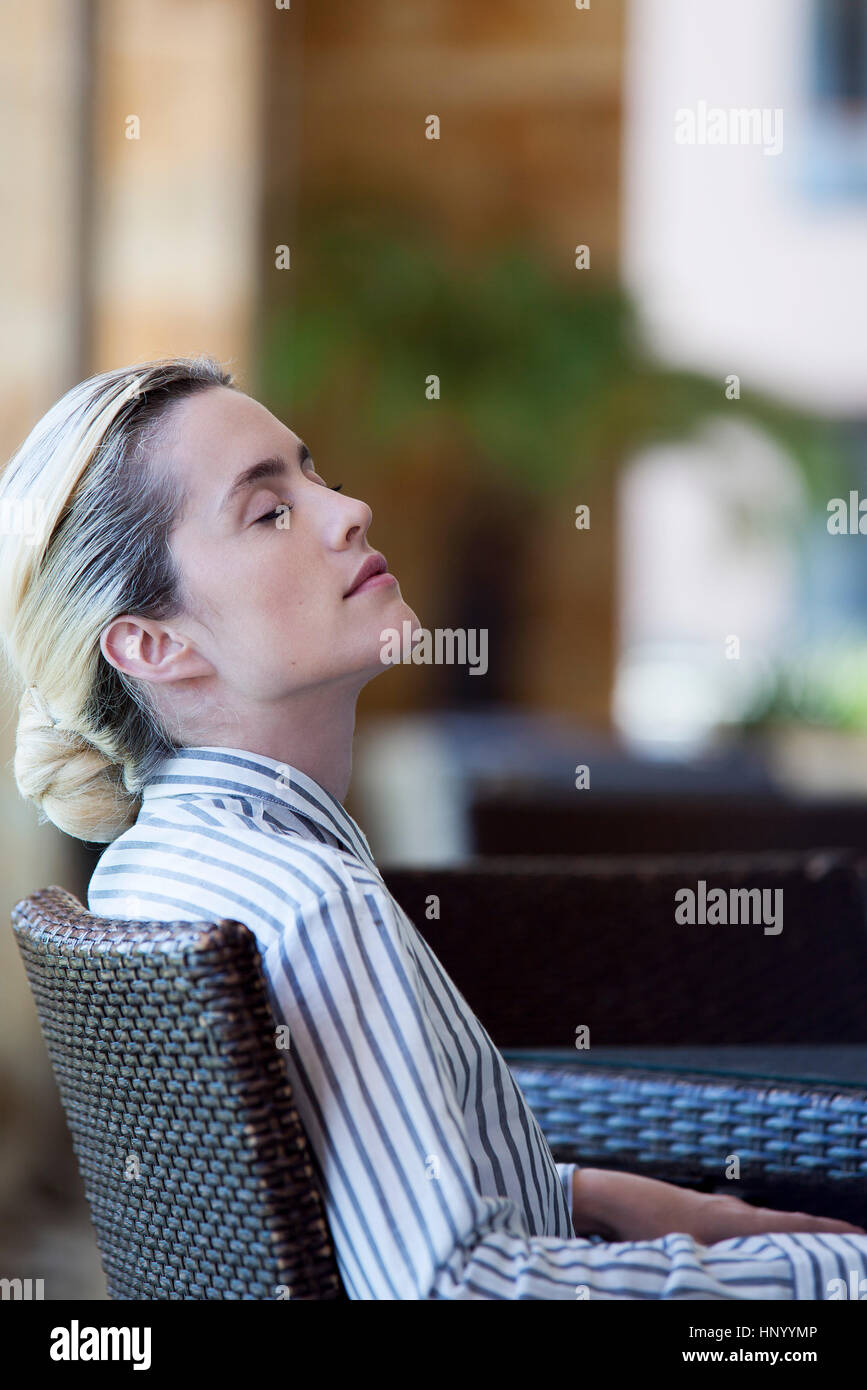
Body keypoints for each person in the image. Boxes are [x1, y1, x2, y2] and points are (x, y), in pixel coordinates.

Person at [1, 354, 864, 1300]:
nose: (346, 511)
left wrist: (590, 1193)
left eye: (313, 475)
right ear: (153, 644)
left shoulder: (150, 871)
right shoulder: (314, 904)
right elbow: (456, 1290)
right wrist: (830, 1271)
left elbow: (353, 1208)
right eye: (268, 509)